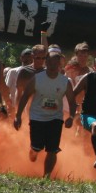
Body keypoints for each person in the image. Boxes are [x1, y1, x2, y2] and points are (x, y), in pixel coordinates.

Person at [14, 47, 77, 179]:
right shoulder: (37, 79)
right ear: (46, 63)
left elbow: (72, 101)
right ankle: (33, 150)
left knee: (52, 150)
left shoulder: (65, 81)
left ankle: (46, 176)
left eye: (56, 63)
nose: (53, 66)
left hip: (55, 118)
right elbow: (25, 96)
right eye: (50, 63)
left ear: (60, 64)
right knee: (37, 147)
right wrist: (18, 115)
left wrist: (71, 116)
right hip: (37, 117)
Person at [4, 48, 35, 114]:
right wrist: (8, 104)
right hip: (14, 107)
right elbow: (6, 89)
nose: (28, 58)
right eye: (25, 56)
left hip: (30, 109)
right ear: (21, 58)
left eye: (30, 56)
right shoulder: (13, 71)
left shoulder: (36, 73)